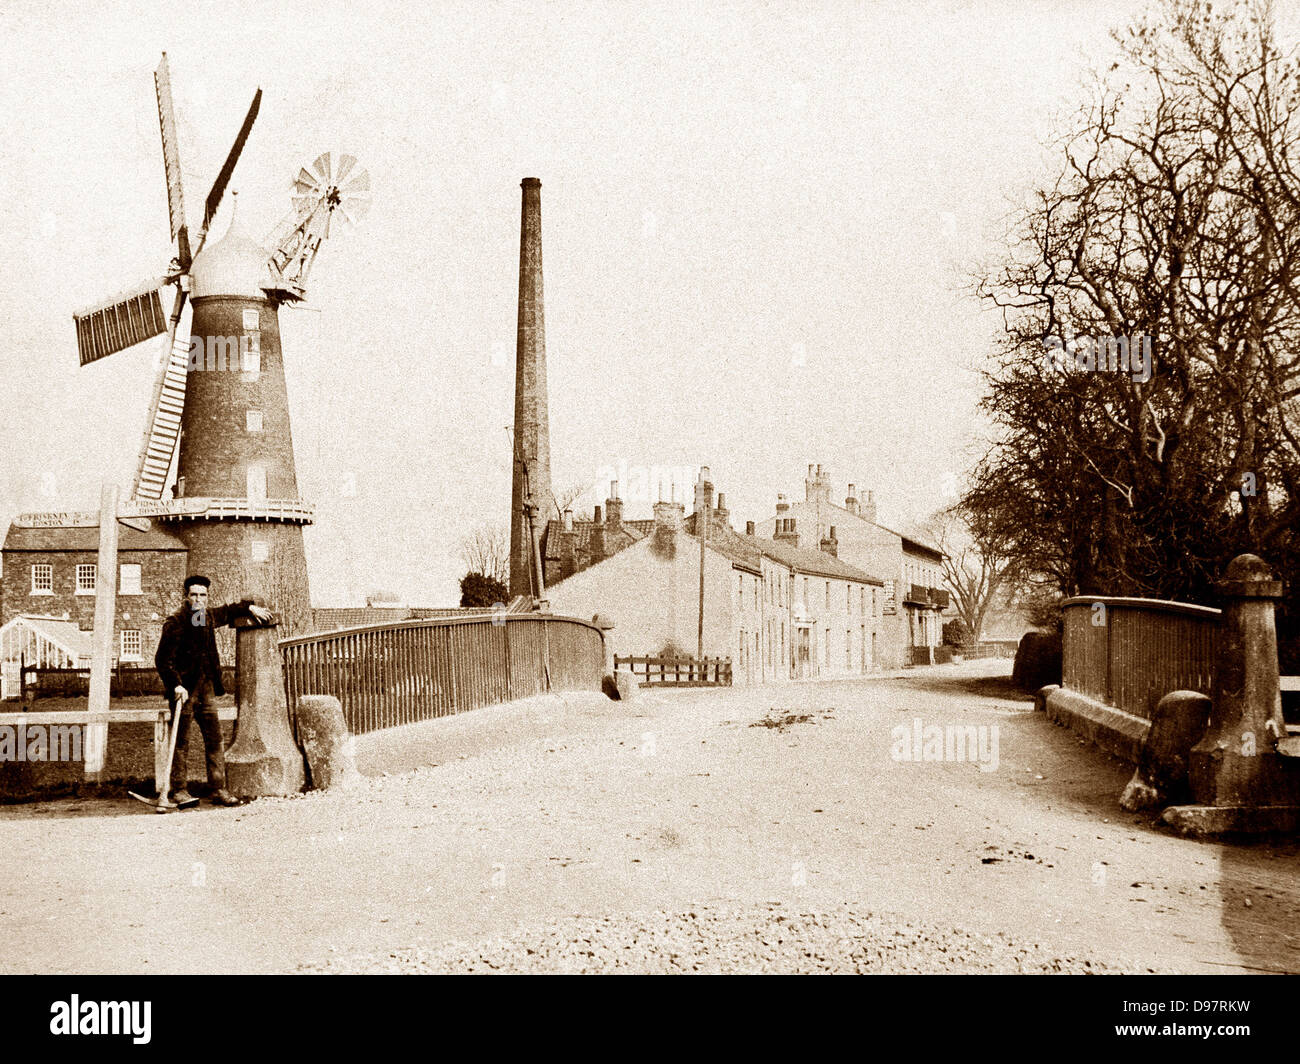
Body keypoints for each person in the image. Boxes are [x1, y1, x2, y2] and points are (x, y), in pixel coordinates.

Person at [154, 575, 273, 807]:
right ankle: (179, 791)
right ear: (185, 597)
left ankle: (218, 789)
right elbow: (162, 659)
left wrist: (250, 608)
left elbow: (228, 611)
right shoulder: (175, 622)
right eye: (194, 595)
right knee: (181, 742)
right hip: (184, 692)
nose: (199, 599)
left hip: (205, 689)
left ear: (207, 597)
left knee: (214, 739)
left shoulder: (204, 617)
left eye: (203, 595)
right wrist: (176, 685)